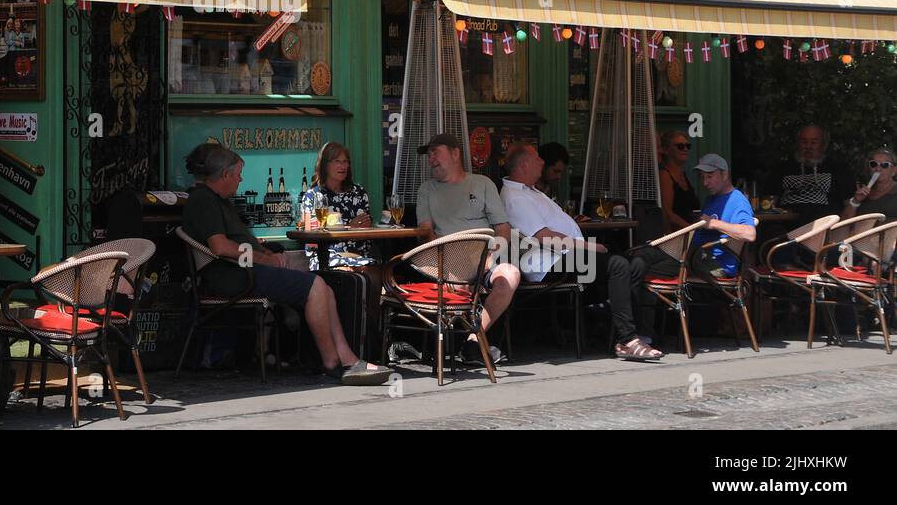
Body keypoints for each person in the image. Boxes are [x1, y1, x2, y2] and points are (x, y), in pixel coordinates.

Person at [180, 143, 390, 386]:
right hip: (235, 276)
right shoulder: (204, 200)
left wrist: (263, 251)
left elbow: (231, 243)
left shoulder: (216, 200)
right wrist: (264, 258)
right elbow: (222, 248)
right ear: (225, 175)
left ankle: (347, 358)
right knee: (315, 286)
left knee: (325, 287)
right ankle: (332, 362)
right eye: (238, 174)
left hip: (244, 271)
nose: (240, 180)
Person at [502, 144, 661, 361]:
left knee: (635, 264)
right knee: (618, 264)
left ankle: (617, 332)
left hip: (565, 255)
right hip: (547, 262)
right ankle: (627, 339)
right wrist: (590, 247)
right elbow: (543, 237)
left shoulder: (530, 191)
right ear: (523, 165)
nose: (542, 162)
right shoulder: (515, 197)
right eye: (537, 158)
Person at [415, 133, 521, 366]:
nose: (431, 158)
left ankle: (473, 339)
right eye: (429, 154)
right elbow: (426, 234)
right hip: (448, 262)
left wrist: (491, 255)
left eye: (436, 152)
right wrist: (443, 264)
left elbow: (503, 228)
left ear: (455, 154)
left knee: (511, 275)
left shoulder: (482, 184)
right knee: (458, 283)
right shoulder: (427, 190)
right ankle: (469, 345)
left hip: (484, 259)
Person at [298, 142, 374, 271]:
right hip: (326, 256)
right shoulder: (312, 196)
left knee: (375, 271)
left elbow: (367, 235)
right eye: (337, 161)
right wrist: (349, 228)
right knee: (350, 272)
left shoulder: (359, 193)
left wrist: (365, 229)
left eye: (345, 161)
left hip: (357, 255)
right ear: (324, 165)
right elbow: (310, 240)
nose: (342, 166)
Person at [768, 125, 857, 229]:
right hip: (784, 231)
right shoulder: (782, 169)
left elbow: (849, 204)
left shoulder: (838, 168)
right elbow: (769, 203)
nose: (808, 147)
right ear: (798, 144)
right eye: (804, 142)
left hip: (823, 232)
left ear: (824, 145)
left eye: (814, 142)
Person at [691, 154, 757, 278]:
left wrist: (713, 223)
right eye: (702, 177)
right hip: (698, 257)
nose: (705, 182)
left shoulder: (737, 200)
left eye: (710, 176)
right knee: (653, 258)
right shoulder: (711, 198)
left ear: (725, 175)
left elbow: (749, 233)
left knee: (651, 265)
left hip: (716, 265)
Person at [657, 130, 700, 237]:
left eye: (687, 146)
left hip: (687, 235)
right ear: (666, 150)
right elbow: (667, 213)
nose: (685, 149)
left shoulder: (682, 174)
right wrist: (692, 230)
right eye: (680, 146)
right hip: (676, 238)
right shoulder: (665, 175)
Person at [845, 147, 897, 222]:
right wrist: (855, 201)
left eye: (884, 165)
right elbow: (843, 225)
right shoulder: (863, 194)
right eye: (873, 164)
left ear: (894, 170)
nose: (878, 169)